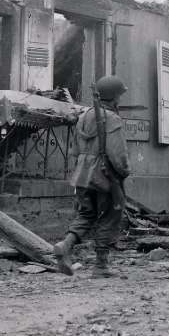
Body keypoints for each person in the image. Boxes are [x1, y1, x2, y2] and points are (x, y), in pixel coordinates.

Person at [52, 75, 132, 278]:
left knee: (86, 214)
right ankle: (101, 266)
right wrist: (123, 172)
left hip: (82, 174)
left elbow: (75, 150)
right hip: (105, 176)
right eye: (119, 96)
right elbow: (117, 154)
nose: (120, 100)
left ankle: (65, 245)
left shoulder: (82, 117)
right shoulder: (112, 119)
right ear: (114, 97)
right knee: (112, 214)